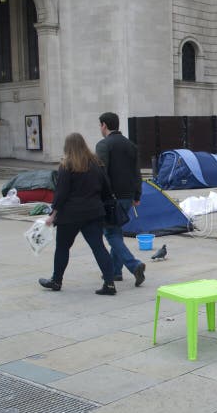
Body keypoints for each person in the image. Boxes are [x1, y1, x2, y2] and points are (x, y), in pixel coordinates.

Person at [39, 133, 117, 295]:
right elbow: (107, 188)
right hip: (94, 212)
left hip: (70, 215)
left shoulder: (67, 166)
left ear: (68, 147)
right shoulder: (96, 163)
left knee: (62, 248)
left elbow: (61, 194)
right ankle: (109, 283)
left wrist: (53, 215)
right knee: (99, 247)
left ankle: (56, 280)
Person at [95, 112, 145, 286]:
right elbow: (137, 173)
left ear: (104, 125)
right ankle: (115, 271)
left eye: (100, 125)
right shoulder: (131, 146)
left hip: (111, 198)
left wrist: (103, 196)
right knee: (117, 232)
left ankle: (134, 265)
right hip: (128, 197)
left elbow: (102, 173)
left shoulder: (103, 145)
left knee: (111, 233)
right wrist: (137, 195)